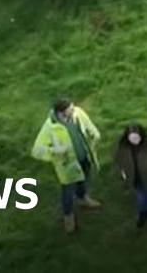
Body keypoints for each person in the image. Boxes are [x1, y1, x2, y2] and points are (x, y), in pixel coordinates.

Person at [30, 98, 102, 234]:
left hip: (84, 157)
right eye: (70, 109)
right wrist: (55, 152)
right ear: (61, 112)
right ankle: (68, 217)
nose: (74, 110)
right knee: (68, 192)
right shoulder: (50, 128)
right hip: (68, 166)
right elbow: (37, 151)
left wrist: (95, 135)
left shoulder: (77, 114)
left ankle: (83, 199)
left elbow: (88, 124)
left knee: (84, 179)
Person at [114, 124, 147, 231]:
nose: (134, 140)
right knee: (141, 198)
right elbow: (118, 159)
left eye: (136, 137)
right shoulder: (123, 147)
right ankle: (145, 211)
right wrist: (123, 172)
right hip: (135, 180)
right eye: (131, 138)